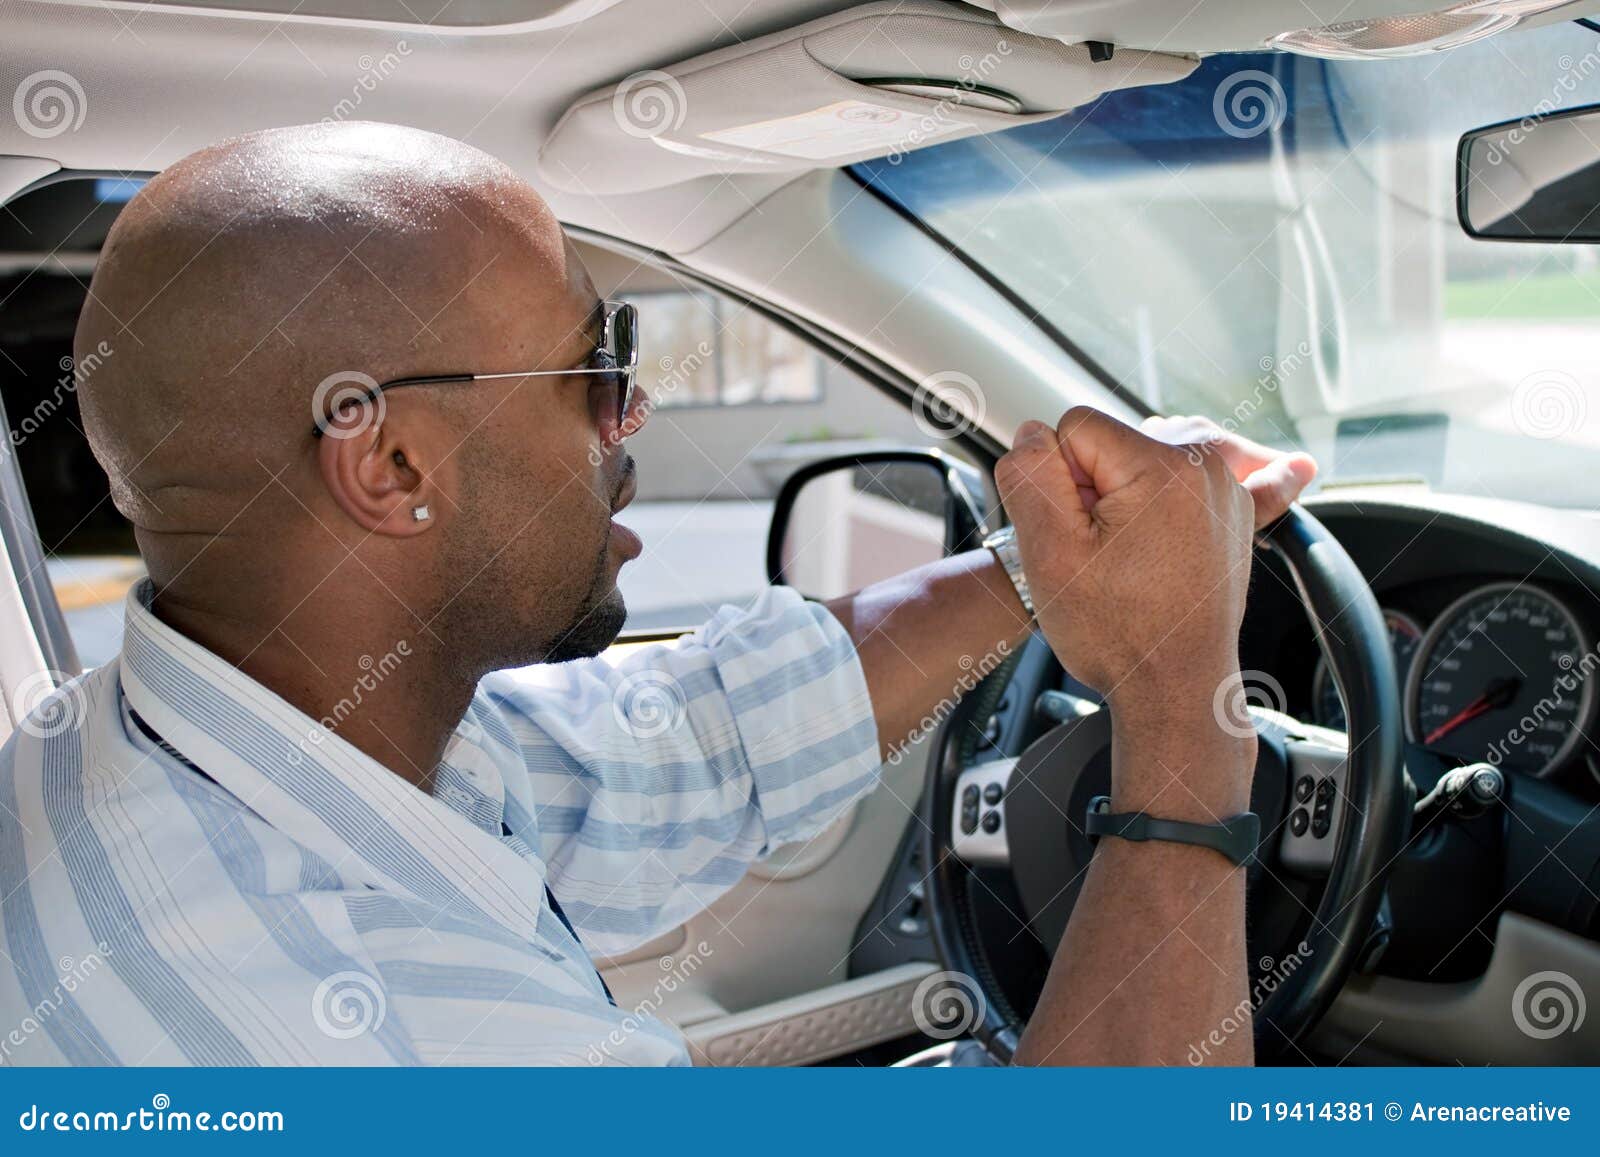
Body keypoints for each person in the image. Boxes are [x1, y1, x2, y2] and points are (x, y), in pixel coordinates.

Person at [0, 122, 1315, 1066]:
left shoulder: (201, 737)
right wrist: (1181, 715)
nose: (633, 409)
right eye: (593, 367)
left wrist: (1052, 560)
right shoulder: (374, 1032)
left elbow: (690, 734)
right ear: (392, 463)